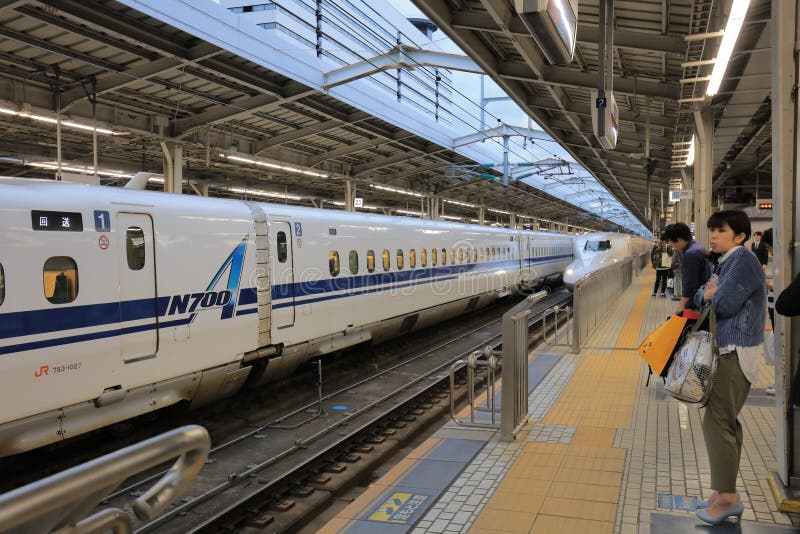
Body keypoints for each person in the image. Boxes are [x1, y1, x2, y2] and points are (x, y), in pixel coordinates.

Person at [693, 210, 765, 525]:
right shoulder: (727, 261)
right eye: (712, 230)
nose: (713, 235)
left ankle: (727, 499)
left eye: (720, 230)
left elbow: (722, 304)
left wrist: (711, 295)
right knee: (726, 423)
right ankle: (724, 492)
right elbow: (702, 295)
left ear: (739, 236)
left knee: (716, 421)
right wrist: (709, 294)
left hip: (736, 350)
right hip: (728, 349)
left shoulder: (742, 260)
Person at [663, 222, 712, 315]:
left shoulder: (690, 254)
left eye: (671, 241)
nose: (672, 245)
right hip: (702, 297)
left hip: (695, 303)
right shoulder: (698, 248)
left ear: (679, 239)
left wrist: (681, 304)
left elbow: (690, 283)